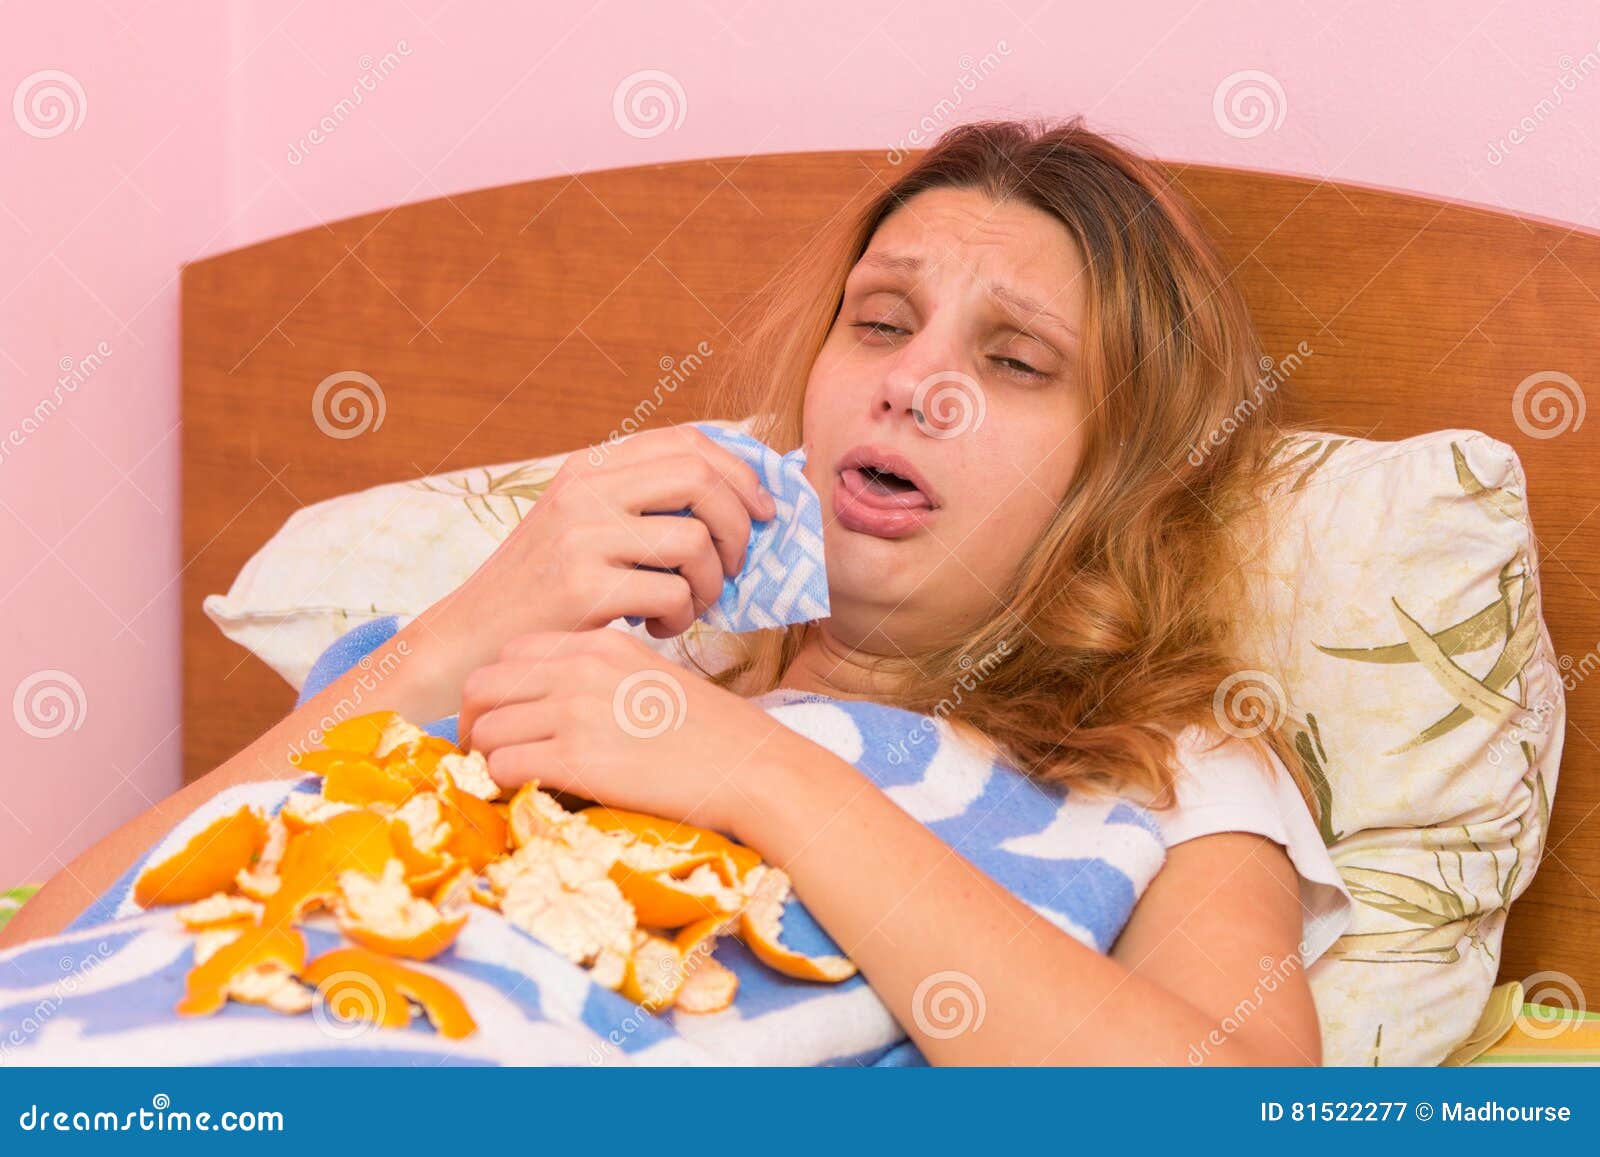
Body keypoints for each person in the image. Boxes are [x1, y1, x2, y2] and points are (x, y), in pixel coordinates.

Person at [1, 117, 1349, 1065]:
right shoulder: (584, 655)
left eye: (1014, 360)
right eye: (881, 322)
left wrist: (753, 772)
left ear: (1119, 470)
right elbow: (52, 949)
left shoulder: (1164, 772)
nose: (912, 382)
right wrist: (471, 626)